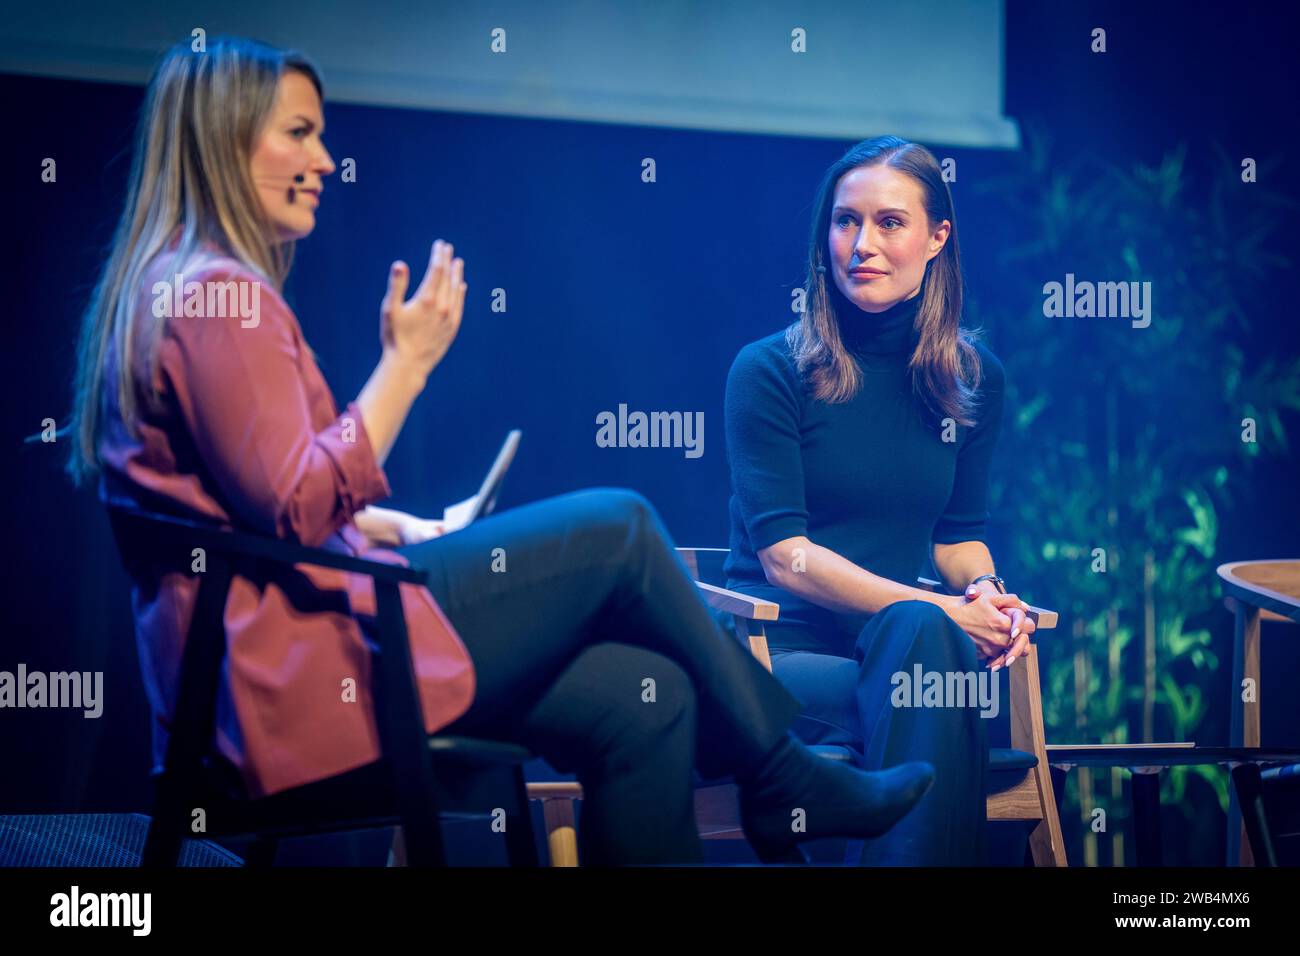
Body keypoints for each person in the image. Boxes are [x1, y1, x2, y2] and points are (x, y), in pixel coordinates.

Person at [64, 38, 934, 865]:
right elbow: (289, 506)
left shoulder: (174, 288)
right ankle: (781, 770)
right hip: (295, 672)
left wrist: (393, 522)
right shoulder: (222, 298)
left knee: (647, 702)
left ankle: (777, 770)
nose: (326, 158)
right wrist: (404, 367)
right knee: (621, 528)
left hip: (282, 657)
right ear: (222, 140)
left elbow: (249, 498)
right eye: (298, 132)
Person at [723, 136, 1036, 865]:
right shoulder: (769, 371)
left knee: (920, 647)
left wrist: (988, 594)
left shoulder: (970, 377)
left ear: (936, 239)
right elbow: (787, 562)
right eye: (845, 221)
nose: (861, 243)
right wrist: (943, 612)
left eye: (889, 222)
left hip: (898, 649)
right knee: (929, 656)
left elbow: (957, 538)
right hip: (780, 657)